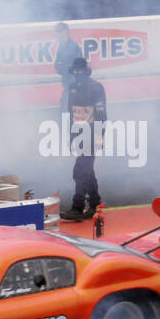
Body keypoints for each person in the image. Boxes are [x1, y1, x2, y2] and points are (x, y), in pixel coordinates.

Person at [59, 57, 107, 222]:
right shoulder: (72, 88)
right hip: (78, 133)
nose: (78, 76)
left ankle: (78, 207)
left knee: (80, 171)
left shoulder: (96, 88)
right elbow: (70, 113)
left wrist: (99, 137)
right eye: (76, 73)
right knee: (87, 170)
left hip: (92, 133)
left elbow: (101, 115)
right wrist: (71, 135)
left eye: (80, 73)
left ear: (86, 73)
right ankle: (95, 203)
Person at [52, 22, 82, 114]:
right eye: (57, 34)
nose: (59, 37)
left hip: (75, 87)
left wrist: (65, 68)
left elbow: (79, 68)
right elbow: (57, 65)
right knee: (65, 110)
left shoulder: (73, 47)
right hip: (68, 86)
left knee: (67, 111)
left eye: (60, 34)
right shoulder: (61, 47)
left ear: (66, 33)